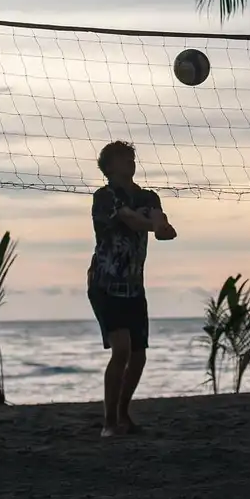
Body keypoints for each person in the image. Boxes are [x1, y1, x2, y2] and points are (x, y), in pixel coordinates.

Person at [87, 140, 177, 437]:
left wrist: (161, 225)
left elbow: (158, 221)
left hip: (134, 286)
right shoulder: (104, 197)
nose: (131, 163)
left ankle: (123, 414)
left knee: (138, 355)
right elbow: (132, 220)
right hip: (105, 284)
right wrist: (156, 226)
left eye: (132, 158)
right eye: (124, 159)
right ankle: (109, 422)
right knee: (122, 349)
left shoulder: (147, 195)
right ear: (109, 167)